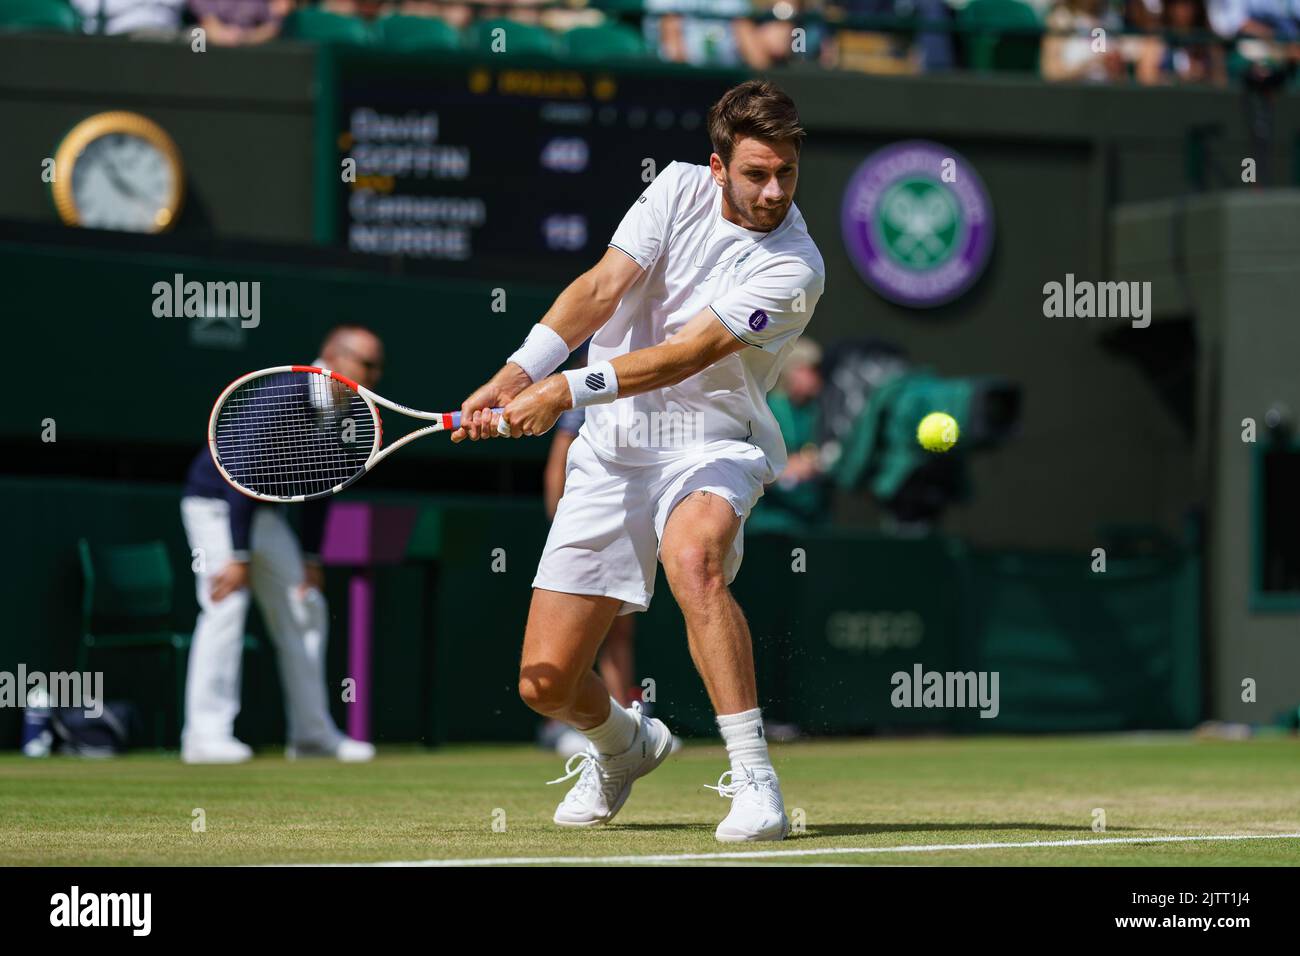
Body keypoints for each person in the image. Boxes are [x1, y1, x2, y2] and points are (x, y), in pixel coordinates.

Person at [454, 80, 825, 842]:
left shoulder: (796, 266)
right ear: (716, 167)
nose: (774, 190)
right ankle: (626, 746)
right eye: (756, 172)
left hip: (715, 443)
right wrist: (519, 373)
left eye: (785, 172)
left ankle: (755, 781)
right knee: (546, 682)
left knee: (694, 561)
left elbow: (687, 356)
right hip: (614, 451)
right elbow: (600, 289)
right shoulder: (677, 190)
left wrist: (564, 389)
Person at [179, 326, 383, 764]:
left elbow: (322, 488)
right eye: (365, 364)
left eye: (377, 367)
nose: (373, 376)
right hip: (218, 505)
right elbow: (237, 472)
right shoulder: (286, 393)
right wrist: (238, 557)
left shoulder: (348, 413)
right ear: (333, 356)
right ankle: (204, 736)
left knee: (304, 607)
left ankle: (312, 736)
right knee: (226, 606)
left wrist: (311, 559)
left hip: (266, 515)